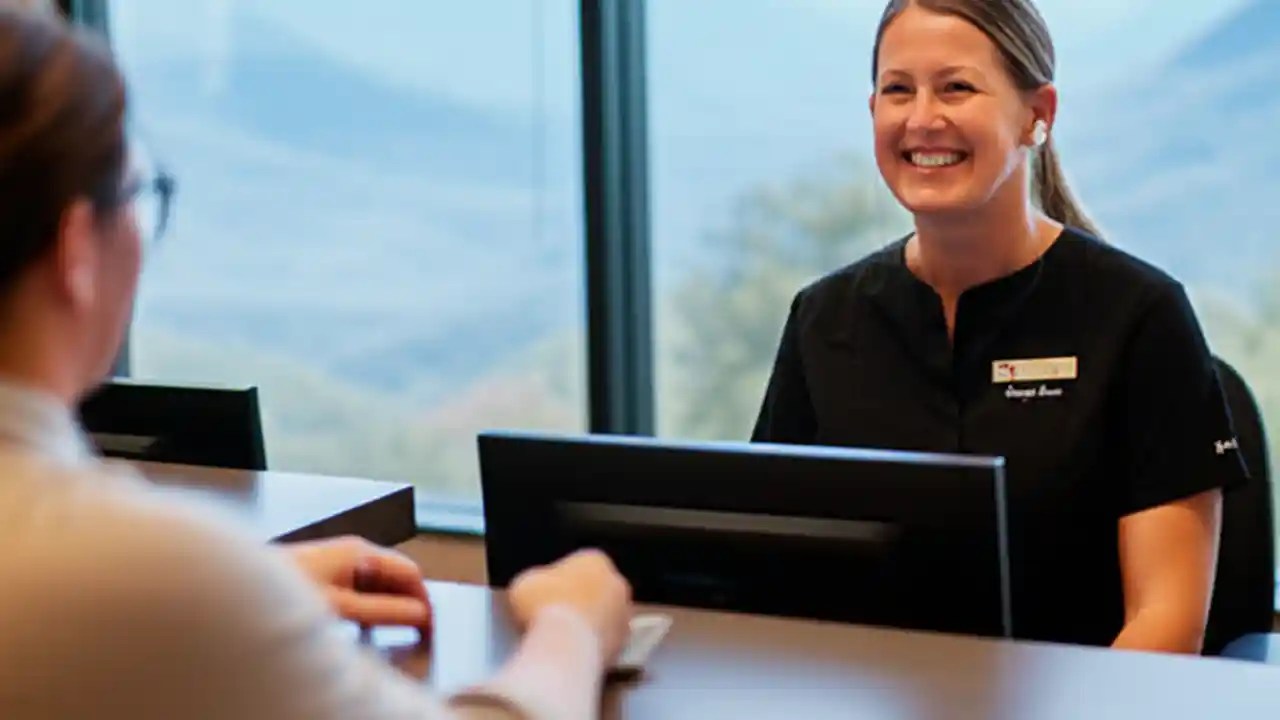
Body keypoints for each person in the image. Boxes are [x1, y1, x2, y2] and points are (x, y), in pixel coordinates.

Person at [0, 5, 631, 719]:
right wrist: (573, 626)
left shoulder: (116, 577)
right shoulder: (128, 567)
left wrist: (249, 588)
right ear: (77, 249)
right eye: (140, 198)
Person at [751, 0, 1246, 655]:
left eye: (956, 87)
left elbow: (1166, 622)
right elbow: (764, 577)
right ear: (873, 111)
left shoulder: (1139, 315)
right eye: (899, 90)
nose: (923, 119)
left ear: (1037, 115)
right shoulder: (824, 319)